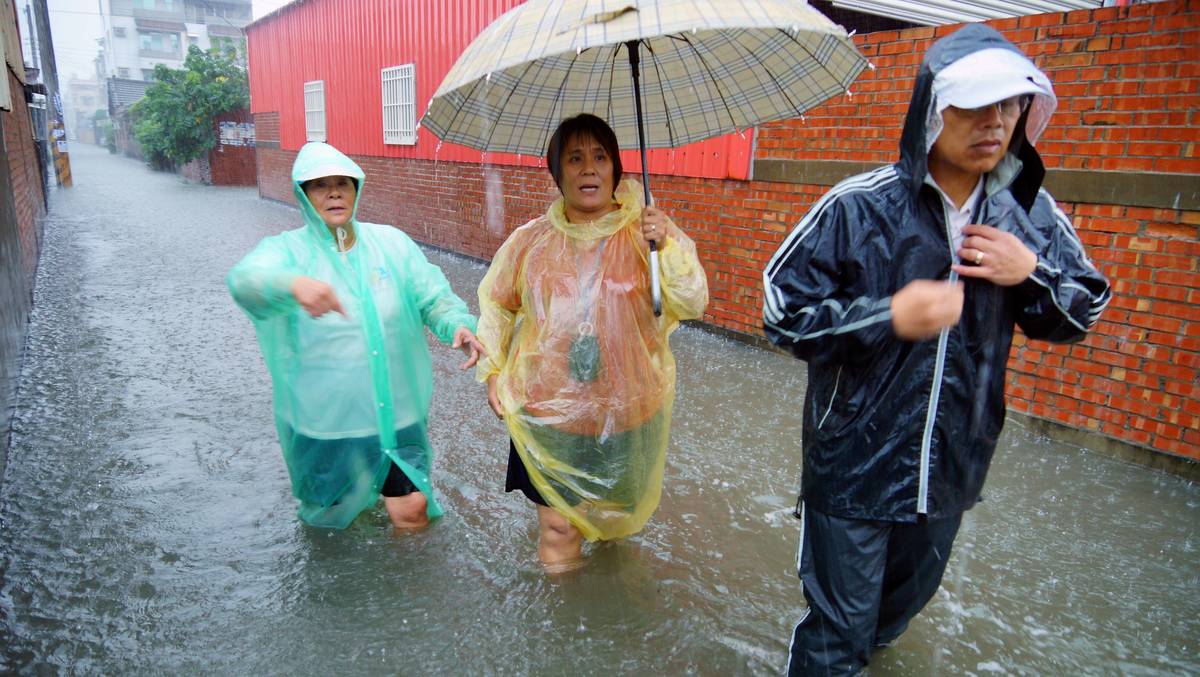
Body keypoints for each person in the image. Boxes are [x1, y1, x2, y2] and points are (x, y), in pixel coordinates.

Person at [762, 25, 1111, 675]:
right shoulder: (858, 207)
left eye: (1010, 105)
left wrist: (1029, 270)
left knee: (898, 609)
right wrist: (887, 314)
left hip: (951, 466)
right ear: (932, 111)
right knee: (838, 634)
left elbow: (1084, 308)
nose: (996, 121)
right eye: (977, 104)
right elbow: (782, 310)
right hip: (852, 465)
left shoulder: (1027, 213)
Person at [476, 114, 708, 569]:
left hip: (625, 414)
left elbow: (693, 299)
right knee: (559, 529)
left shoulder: (647, 235)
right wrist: (493, 371)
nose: (588, 169)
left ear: (616, 168)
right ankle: (563, 630)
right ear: (557, 172)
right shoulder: (530, 242)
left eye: (600, 157)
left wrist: (669, 247)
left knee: (611, 527)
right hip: (549, 418)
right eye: (575, 158)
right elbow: (497, 305)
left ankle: (607, 624)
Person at [228, 141, 484, 531]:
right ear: (303, 194)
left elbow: (433, 297)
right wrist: (292, 285)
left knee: (412, 510)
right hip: (327, 424)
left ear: (356, 190)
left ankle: (406, 589)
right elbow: (244, 282)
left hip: (397, 416)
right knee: (330, 526)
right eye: (319, 185)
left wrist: (457, 325)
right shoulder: (288, 252)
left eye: (342, 184)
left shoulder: (391, 245)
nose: (333, 193)